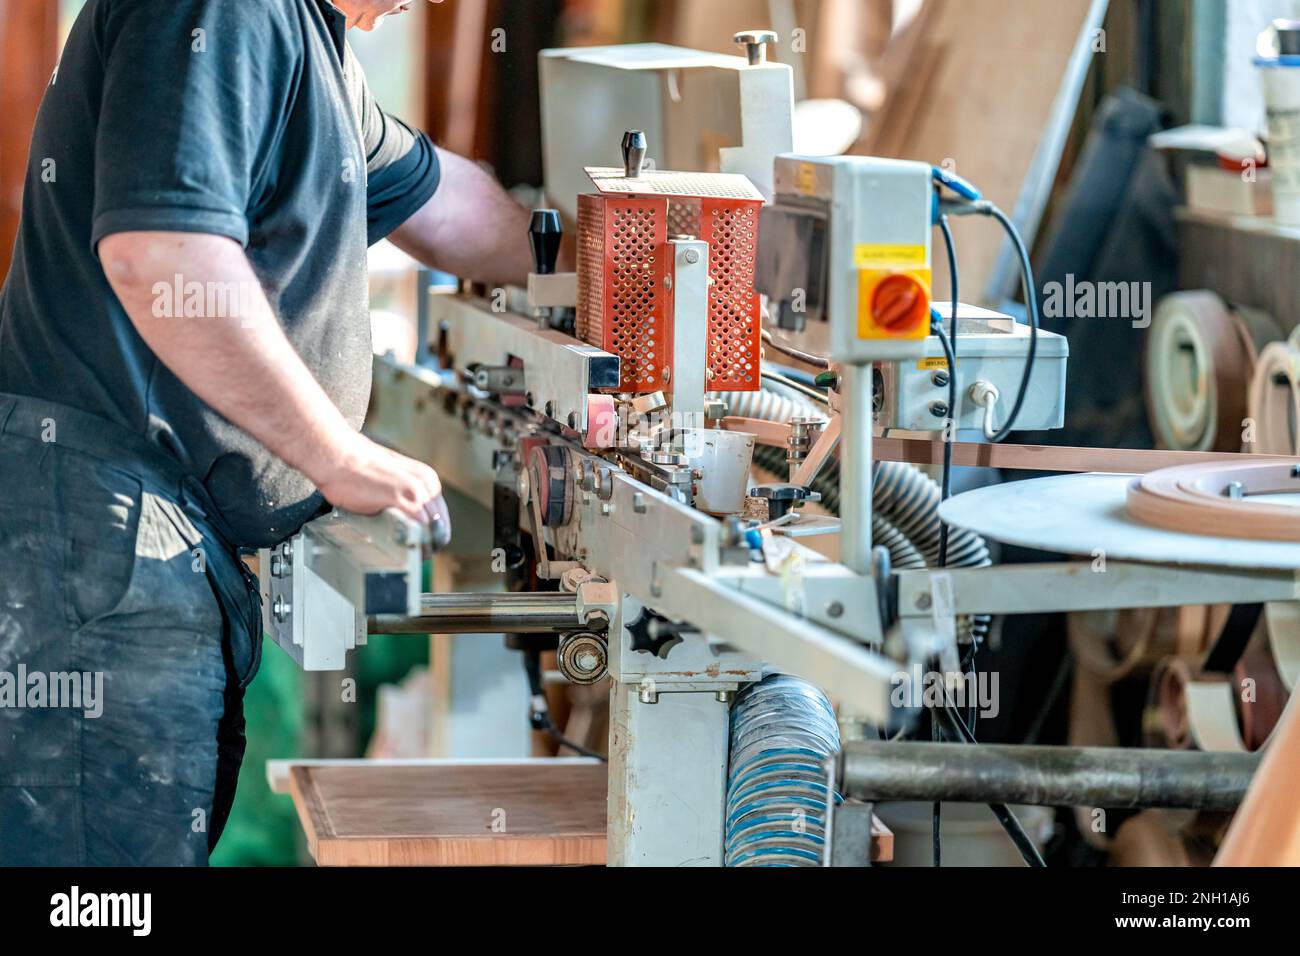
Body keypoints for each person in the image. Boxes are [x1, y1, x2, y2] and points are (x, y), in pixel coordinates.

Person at [0, 0, 532, 864]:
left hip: (133, 535)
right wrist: (338, 454)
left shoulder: (306, 44)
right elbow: (161, 254)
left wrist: (601, 261)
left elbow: (443, 202)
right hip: (96, 536)